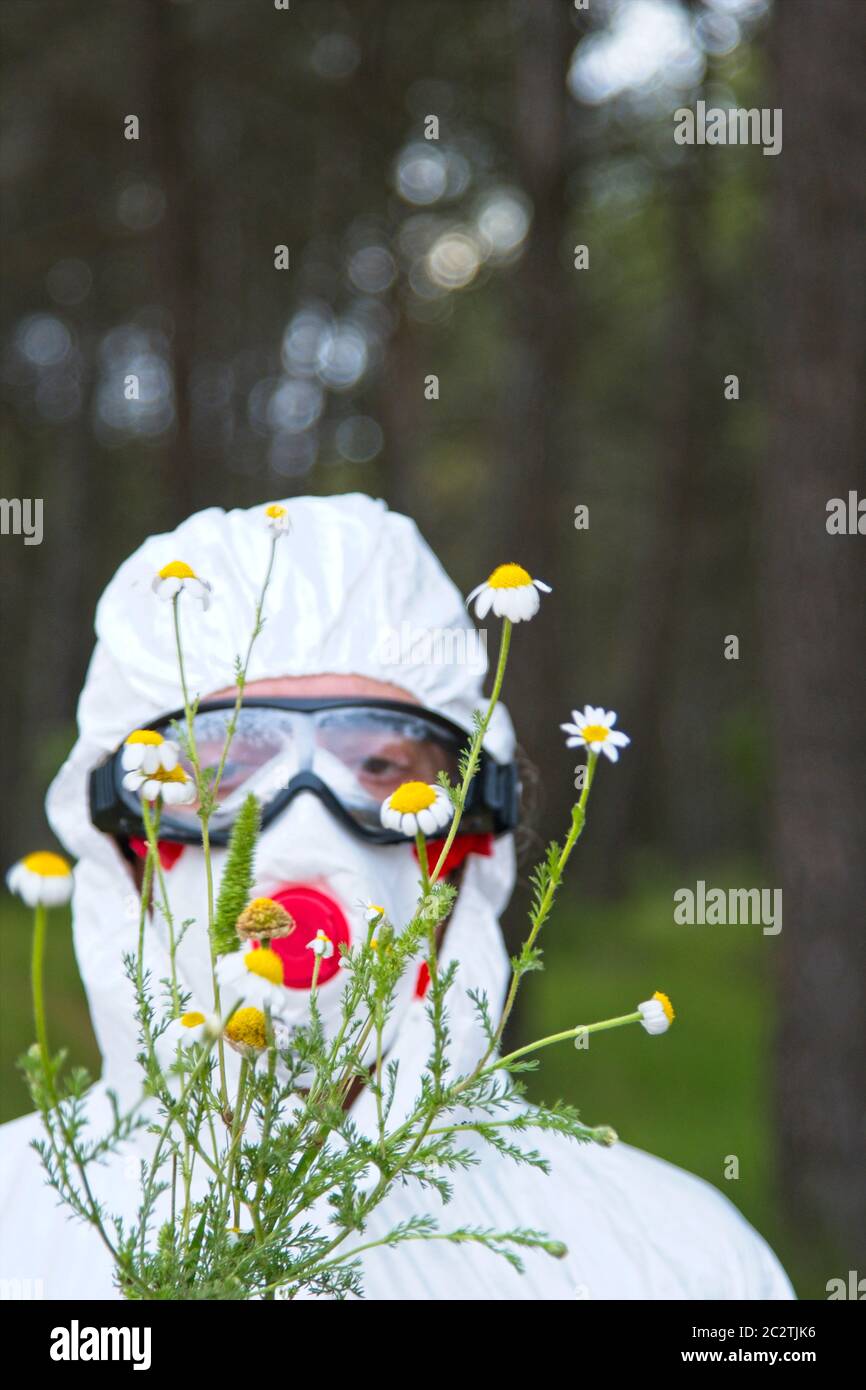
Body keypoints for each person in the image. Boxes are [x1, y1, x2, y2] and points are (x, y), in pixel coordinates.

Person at [0, 494, 794, 1300]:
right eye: (224, 766)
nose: (307, 832)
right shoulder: (18, 1227)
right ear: (122, 846)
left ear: (467, 846)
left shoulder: (676, 1265)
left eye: (379, 766)